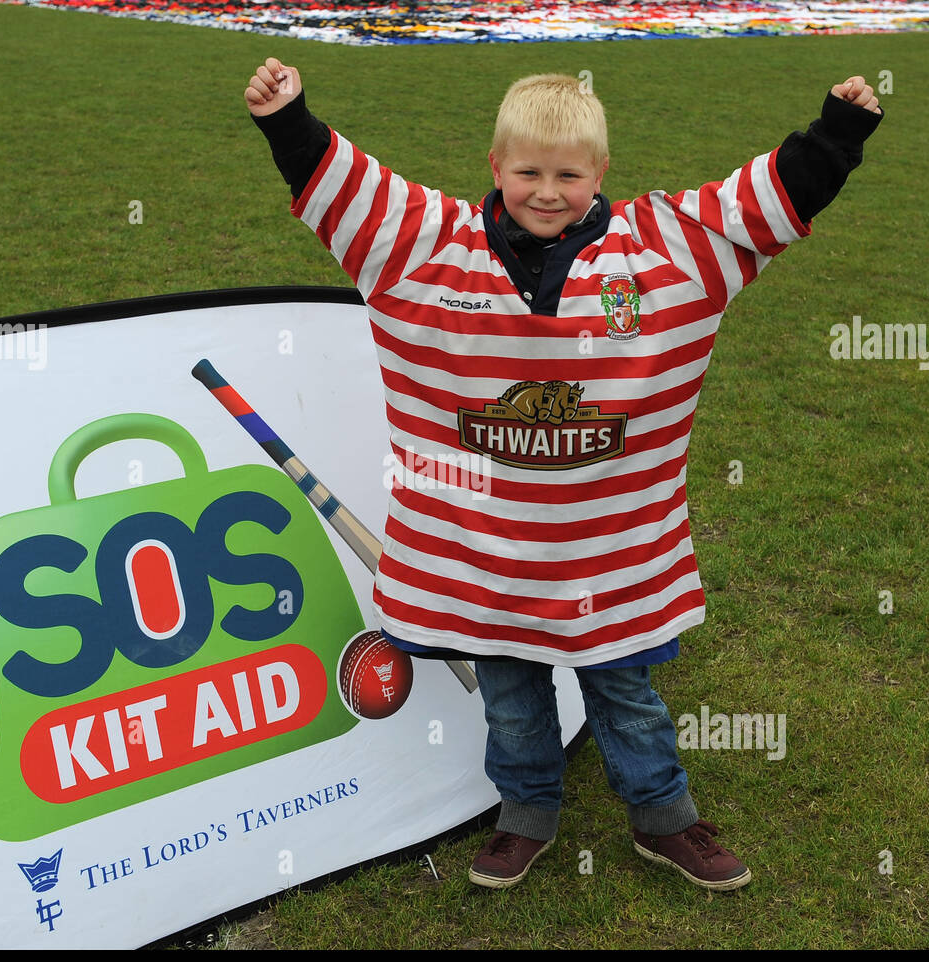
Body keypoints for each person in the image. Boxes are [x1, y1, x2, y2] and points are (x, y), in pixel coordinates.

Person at [246, 57, 883, 891]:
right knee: (509, 696)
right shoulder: (425, 247)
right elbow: (345, 189)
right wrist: (288, 117)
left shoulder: (662, 254)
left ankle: (664, 815)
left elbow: (760, 209)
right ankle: (525, 813)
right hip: (484, 558)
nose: (547, 191)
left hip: (609, 553)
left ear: (601, 173)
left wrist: (835, 133)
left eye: (569, 175)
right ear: (495, 168)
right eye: (528, 173)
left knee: (627, 694)